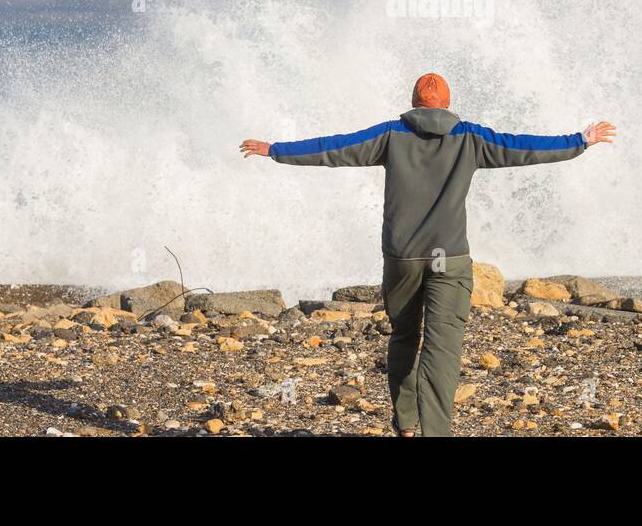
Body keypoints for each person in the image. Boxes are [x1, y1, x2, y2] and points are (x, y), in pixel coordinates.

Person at [240, 72, 615, 436]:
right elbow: (525, 147)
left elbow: (334, 148)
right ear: (448, 105)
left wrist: (276, 150)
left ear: (413, 104)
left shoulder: (390, 134)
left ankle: (405, 424)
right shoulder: (470, 137)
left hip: (403, 258)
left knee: (404, 337)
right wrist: (579, 140)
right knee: (443, 348)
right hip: (447, 258)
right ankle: (436, 432)